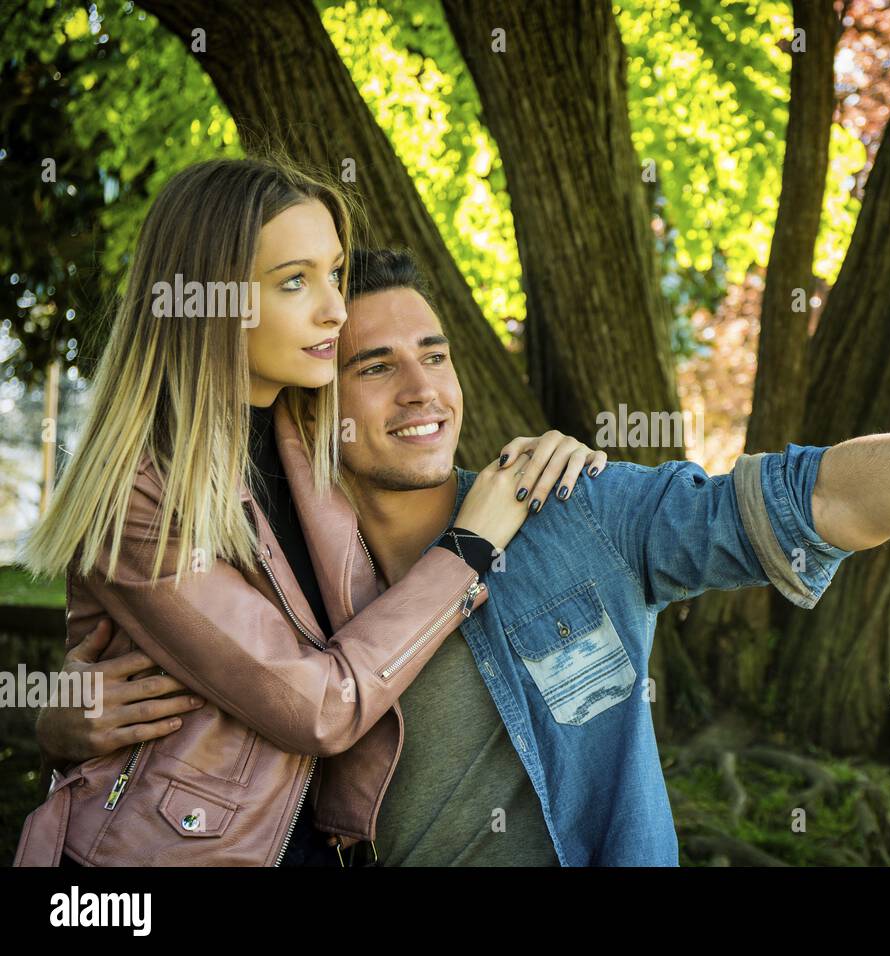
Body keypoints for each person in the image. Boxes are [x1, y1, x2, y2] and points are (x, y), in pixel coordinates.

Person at [38, 246, 890, 865]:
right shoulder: (273, 587)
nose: (426, 389)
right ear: (312, 401)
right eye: (374, 364)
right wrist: (59, 721)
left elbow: (819, 494)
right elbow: (156, 730)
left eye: (438, 352)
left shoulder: (577, 509)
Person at [13, 161, 603, 867]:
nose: (334, 309)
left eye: (334, 273)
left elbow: (422, 454)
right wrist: (471, 547)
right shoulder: (142, 495)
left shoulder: (313, 430)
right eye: (295, 281)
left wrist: (550, 458)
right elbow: (318, 707)